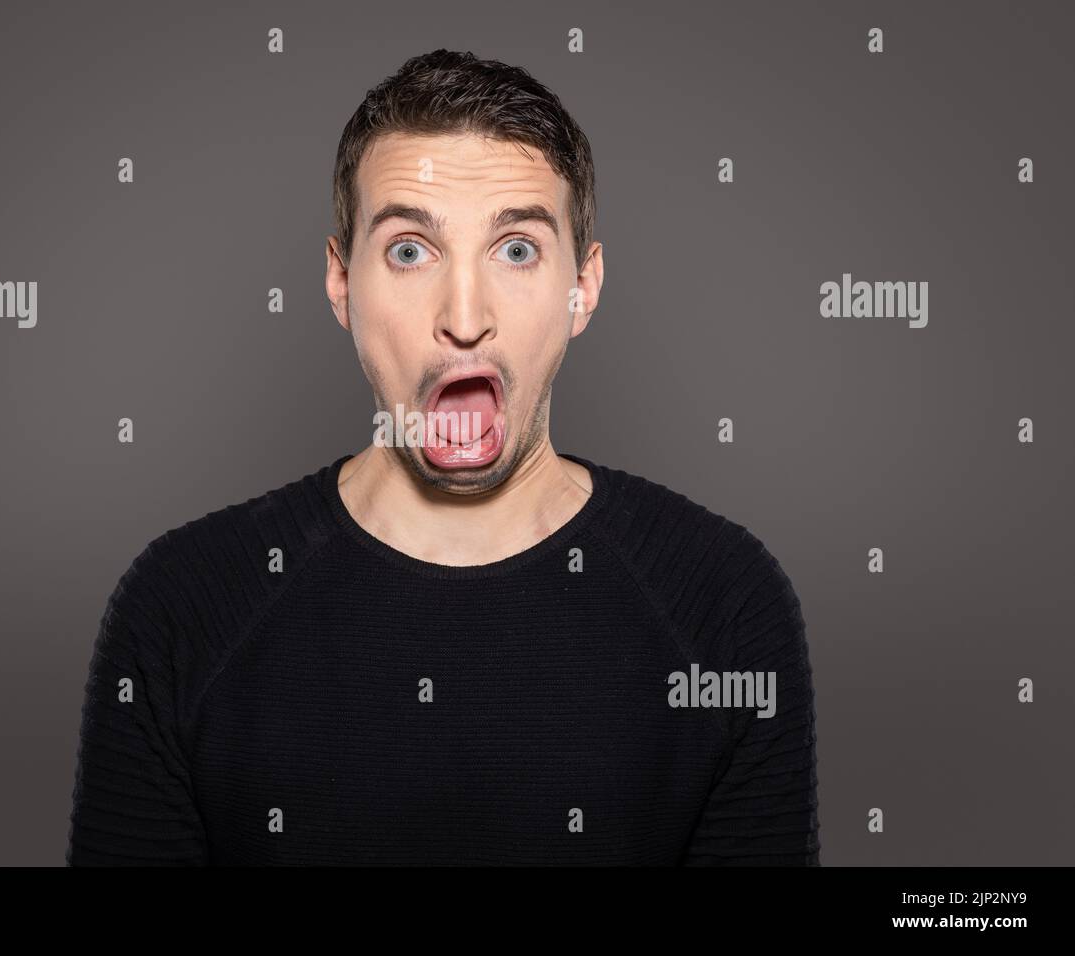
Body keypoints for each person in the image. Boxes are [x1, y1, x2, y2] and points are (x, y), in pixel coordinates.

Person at [67, 48, 819, 865]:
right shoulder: (181, 608)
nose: (464, 317)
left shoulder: (725, 608)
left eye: (518, 249)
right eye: (409, 250)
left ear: (585, 287)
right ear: (339, 283)